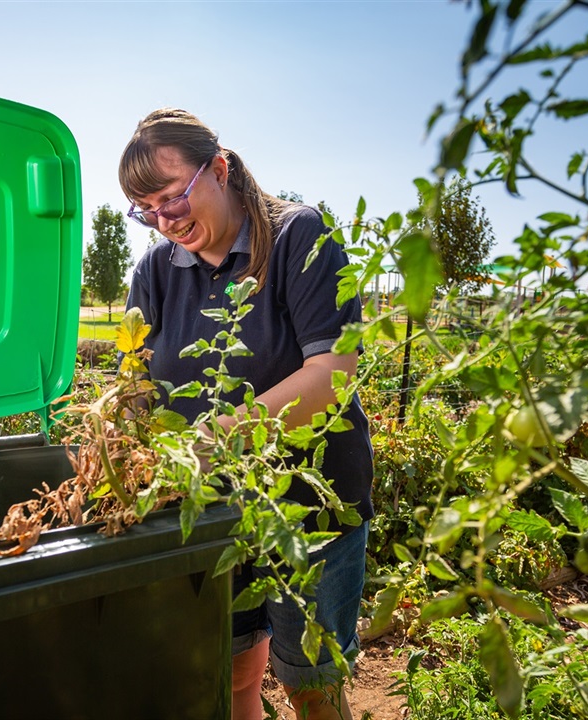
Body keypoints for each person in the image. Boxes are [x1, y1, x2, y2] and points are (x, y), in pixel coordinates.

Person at [120, 109, 374, 720]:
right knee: (230, 669)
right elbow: (135, 385)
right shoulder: (155, 271)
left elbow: (332, 375)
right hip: (208, 514)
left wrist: (216, 438)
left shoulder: (296, 237)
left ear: (221, 169)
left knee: (311, 682)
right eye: (146, 210)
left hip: (309, 506)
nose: (164, 222)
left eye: (173, 198)